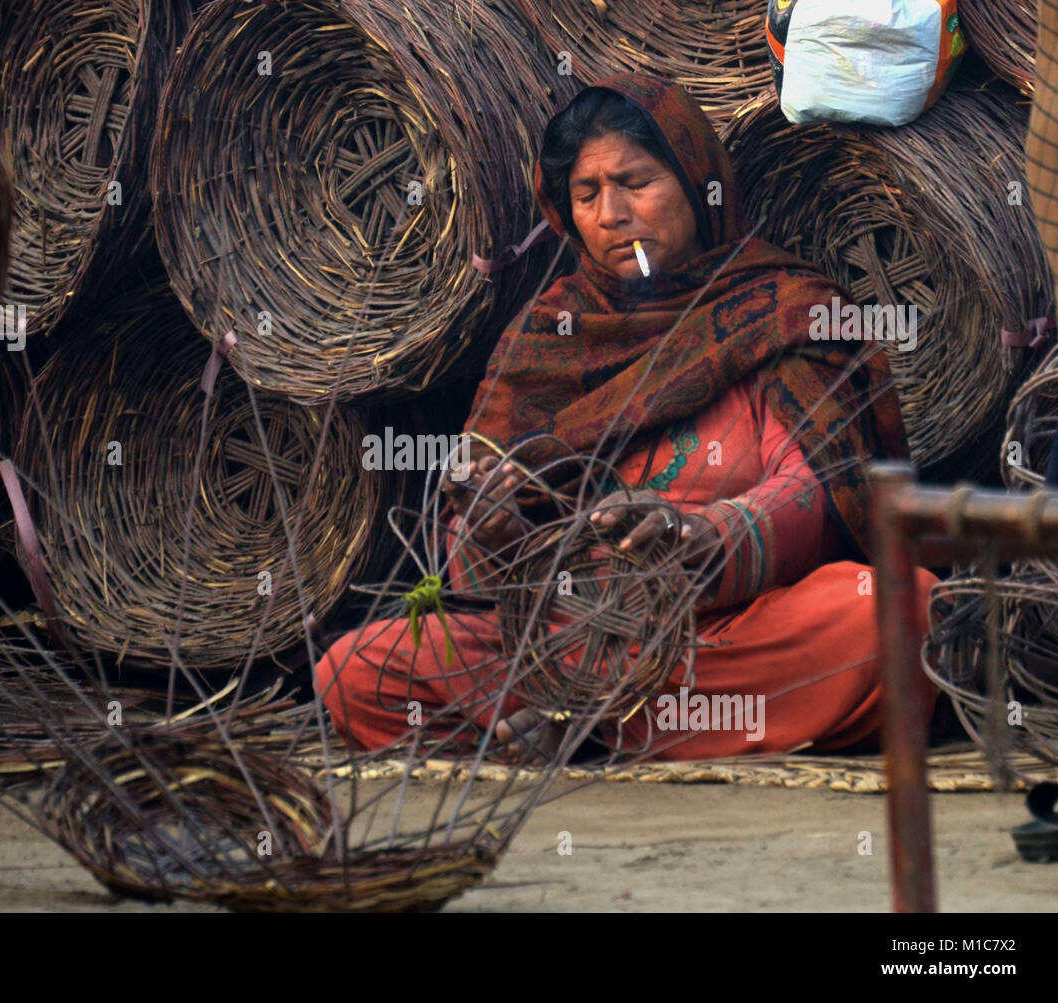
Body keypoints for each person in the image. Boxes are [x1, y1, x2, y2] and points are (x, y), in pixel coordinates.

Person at [314, 73, 938, 763]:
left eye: (636, 182)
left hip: (727, 629)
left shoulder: (787, 310)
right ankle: (615, 716)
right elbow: (477, 582)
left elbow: (820, 497)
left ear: (700, 185)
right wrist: (492, 527)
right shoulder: (547, 336)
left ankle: (589, 725)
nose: (612, 214)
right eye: (587, 195)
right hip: (566, 636)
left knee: (895, 609)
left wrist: (702, 534)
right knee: (355, 671)